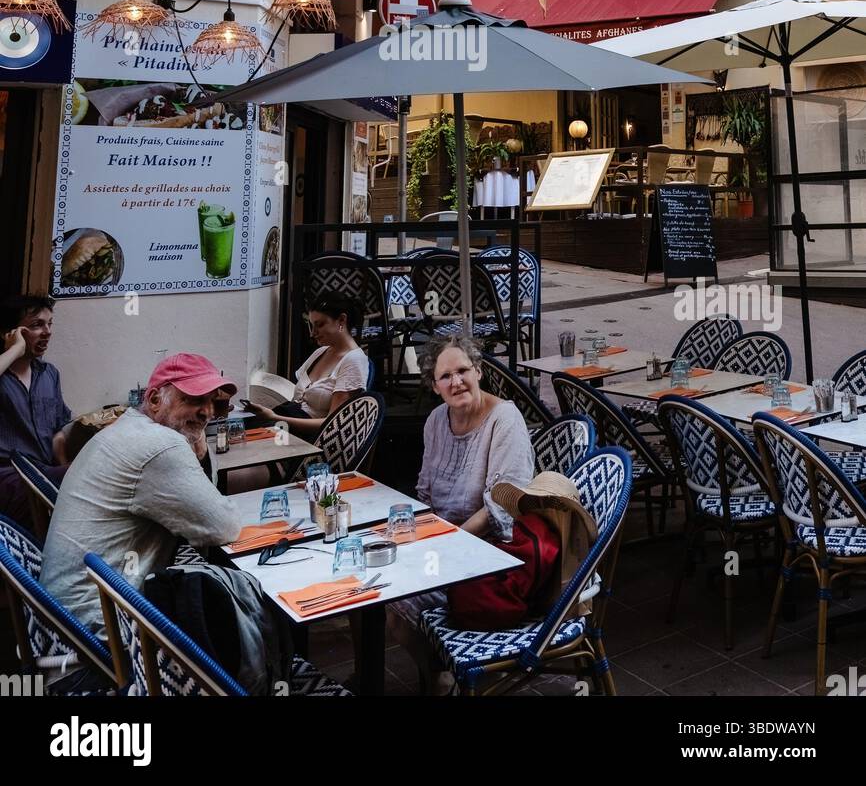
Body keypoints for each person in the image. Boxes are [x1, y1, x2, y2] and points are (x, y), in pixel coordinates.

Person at [41, 352, 242, 635]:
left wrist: (198, 446)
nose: (207, 412)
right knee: (234, 604)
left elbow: (203, 513)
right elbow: (222, 527)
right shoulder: (160, 445)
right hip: (101, 632)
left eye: (214, 403)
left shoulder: (127, 427)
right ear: (155, 399)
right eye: (195, 399)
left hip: (64, 622)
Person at [387, 336, 535, 691]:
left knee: (393, 599)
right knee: (369, 581)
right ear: (434, 386)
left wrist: (443, 548)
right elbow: (424, 494)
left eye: (463, 371)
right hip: (444, 545)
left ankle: (440, 677)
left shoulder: (505, 419)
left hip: (491, 555)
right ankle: (422, 672)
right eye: (445, 376)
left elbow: (502, 507)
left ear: (479, 371)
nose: (456, 382)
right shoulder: (437, 420)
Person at [246, 292, 369, 438]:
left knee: (244, 443)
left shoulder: (353, 361)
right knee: (237, 430)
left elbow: (333, 425)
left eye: (320, 325)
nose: (313, 333)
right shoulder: (321, 353)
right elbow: (296, 403)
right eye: (311, 325)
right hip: (286, 425)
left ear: (341, 320)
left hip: (306, 438)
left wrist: (274, 418)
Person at [0, 294, 72, 524]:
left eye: (49, 324)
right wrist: (15, 349)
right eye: (36, 325)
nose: (47, 332)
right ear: (9, 333)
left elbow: (57, 433)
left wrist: (65, 468)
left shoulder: (49, 374)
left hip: (44, 474)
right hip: (9, 477)